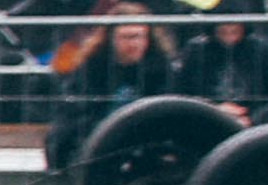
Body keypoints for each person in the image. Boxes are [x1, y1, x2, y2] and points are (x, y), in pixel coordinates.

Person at [46, 15, 186, 170]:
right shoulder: (93, 68)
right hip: (98, 138)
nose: (133, 44)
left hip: (146, 140)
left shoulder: (162, 70)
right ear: (111, 39)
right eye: (126, 37)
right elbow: (76, 113)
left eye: (138, 37)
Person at [178, 14, 268, 124]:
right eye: (223, 31)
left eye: (234, 31)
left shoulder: (260, 49)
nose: (229, 36)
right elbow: (182, 94)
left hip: (251, 120)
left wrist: (252, 119)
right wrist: (214, 109)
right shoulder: (197, 50)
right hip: (205, 119)